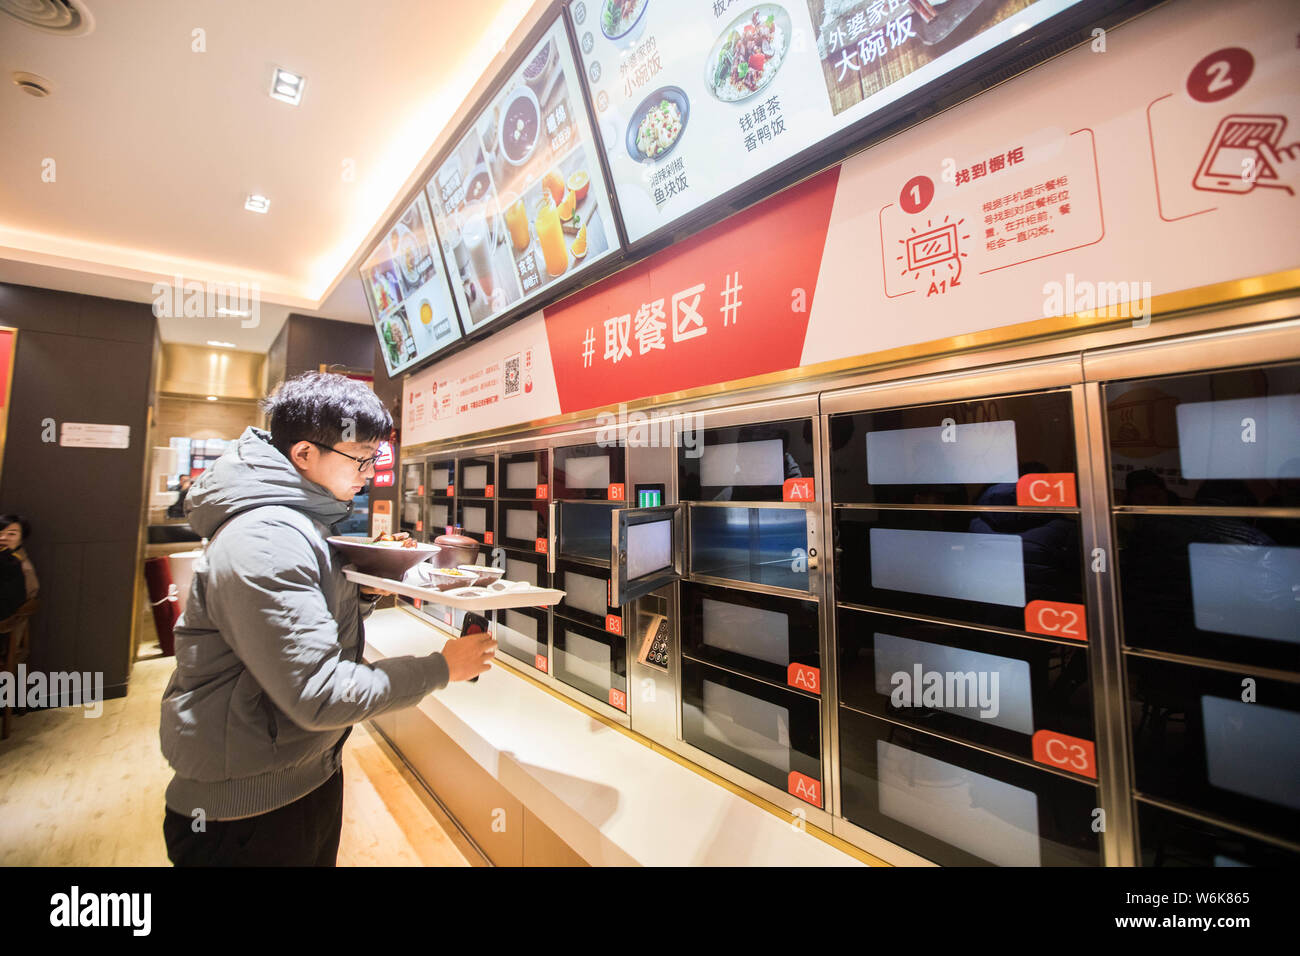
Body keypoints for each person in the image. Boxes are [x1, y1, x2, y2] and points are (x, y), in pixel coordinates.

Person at [159, 372, 495, 866]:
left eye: (373, 458)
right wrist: (443, 668)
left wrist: (360, 596)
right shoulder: (266, 538)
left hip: (296, 779)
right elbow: (318, 694)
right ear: (303, 454)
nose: (368, 472)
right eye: (359, 458)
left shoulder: (299, 523)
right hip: (244, 816)